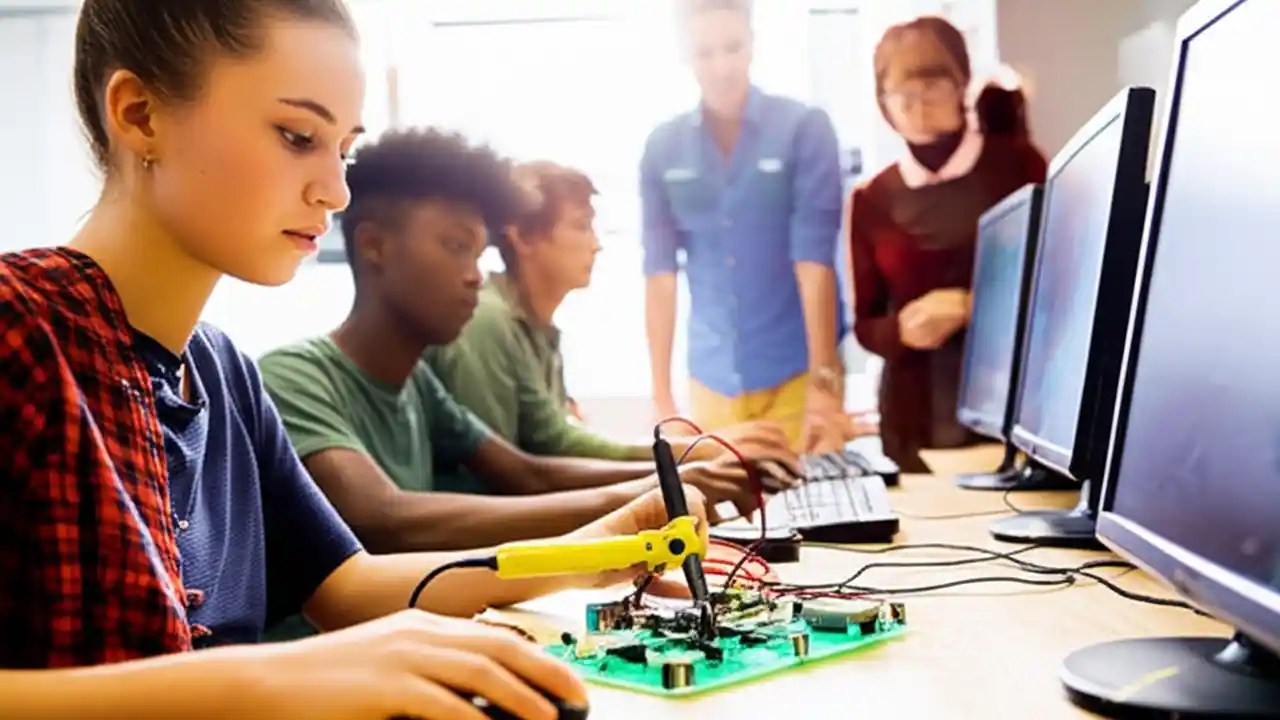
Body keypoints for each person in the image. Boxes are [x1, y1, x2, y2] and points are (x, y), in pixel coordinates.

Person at [0, 2, 709, 717]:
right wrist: (274, 677)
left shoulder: (223, 373)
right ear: (140, 113)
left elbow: (350, 585)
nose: (334, 192)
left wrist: (591, 553)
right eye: (297, 135)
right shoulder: (15, 328)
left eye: (343, 150)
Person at [260, 128, 774, 556]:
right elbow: (385, 518)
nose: (474, 277)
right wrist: (657, 492)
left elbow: (526, 472)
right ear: (374, 246)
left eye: (478, 254)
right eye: (456, 248)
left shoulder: (416, 382)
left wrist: (686, 472)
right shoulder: (293, 378)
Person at [426, 159, 799, 468]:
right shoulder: (487, 323)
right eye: (581, 226)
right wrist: (694, 452)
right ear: (522, 237)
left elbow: (556, 438)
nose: (597, 244)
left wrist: (692, 453)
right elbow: (522, 467)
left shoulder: (535, 327)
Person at [641, 0, 853, 452]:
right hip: (711, 381)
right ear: (685, 53)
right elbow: (659, 274)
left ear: (753, 44)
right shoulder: (662, 148)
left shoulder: (804, 129)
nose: (721, 67)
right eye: (705, 52)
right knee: (725, 518)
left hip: (796, 372)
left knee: (814, 511)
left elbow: (814, 259)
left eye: (732, 47)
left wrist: (824, 381)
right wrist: (662, 397)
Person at [847, 16, 1048, 472]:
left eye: (932, 83)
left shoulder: (1017, 165)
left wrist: (971, 305)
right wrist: (901, 330)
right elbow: (865, 324)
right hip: (912, 424)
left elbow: (1058, 283)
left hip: (1013, 413)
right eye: (901, 93)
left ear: (961, 84)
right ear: (883, 103)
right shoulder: (870, 199)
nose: (917, 105)